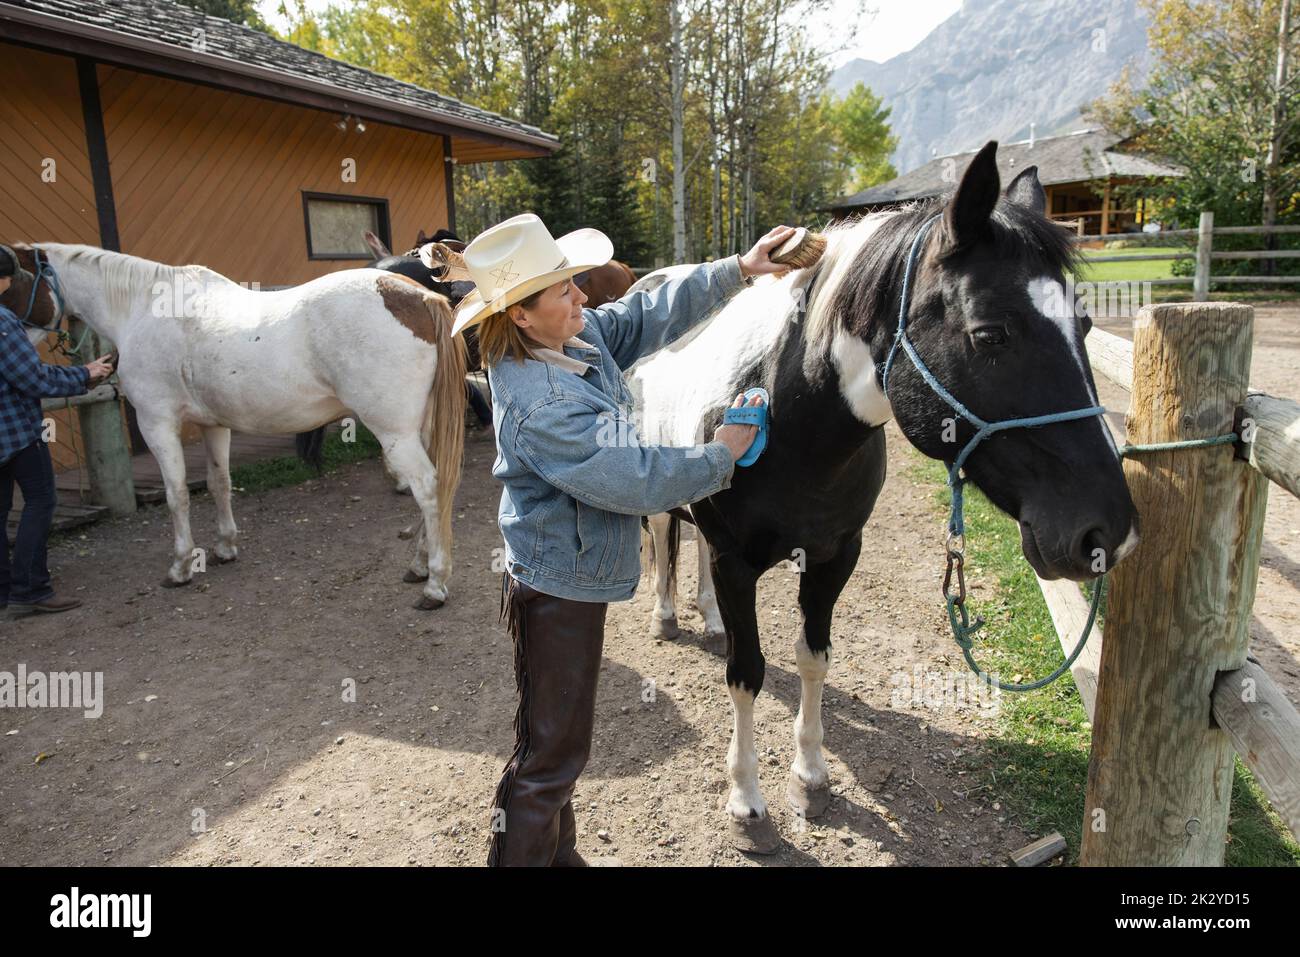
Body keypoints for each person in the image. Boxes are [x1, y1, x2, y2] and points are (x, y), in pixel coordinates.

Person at [450, 212, 796, 866]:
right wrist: (721, 454)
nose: (583, 297)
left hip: (568, 574)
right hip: (556, 588)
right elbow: (636, 481)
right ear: (521, 315)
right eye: (565, 292)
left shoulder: (567, 341)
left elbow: (643, 314)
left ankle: (557, 855)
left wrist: (738, 270)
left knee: (558, 742)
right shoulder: (544, 401)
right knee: (549, 755)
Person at [0, 255, 114, 618]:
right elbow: (33, 379)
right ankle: (31, 589)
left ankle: (5, 591)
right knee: (41, 502)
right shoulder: (3, 323)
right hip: (15, 431)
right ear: (3, 281)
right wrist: (85, 374)